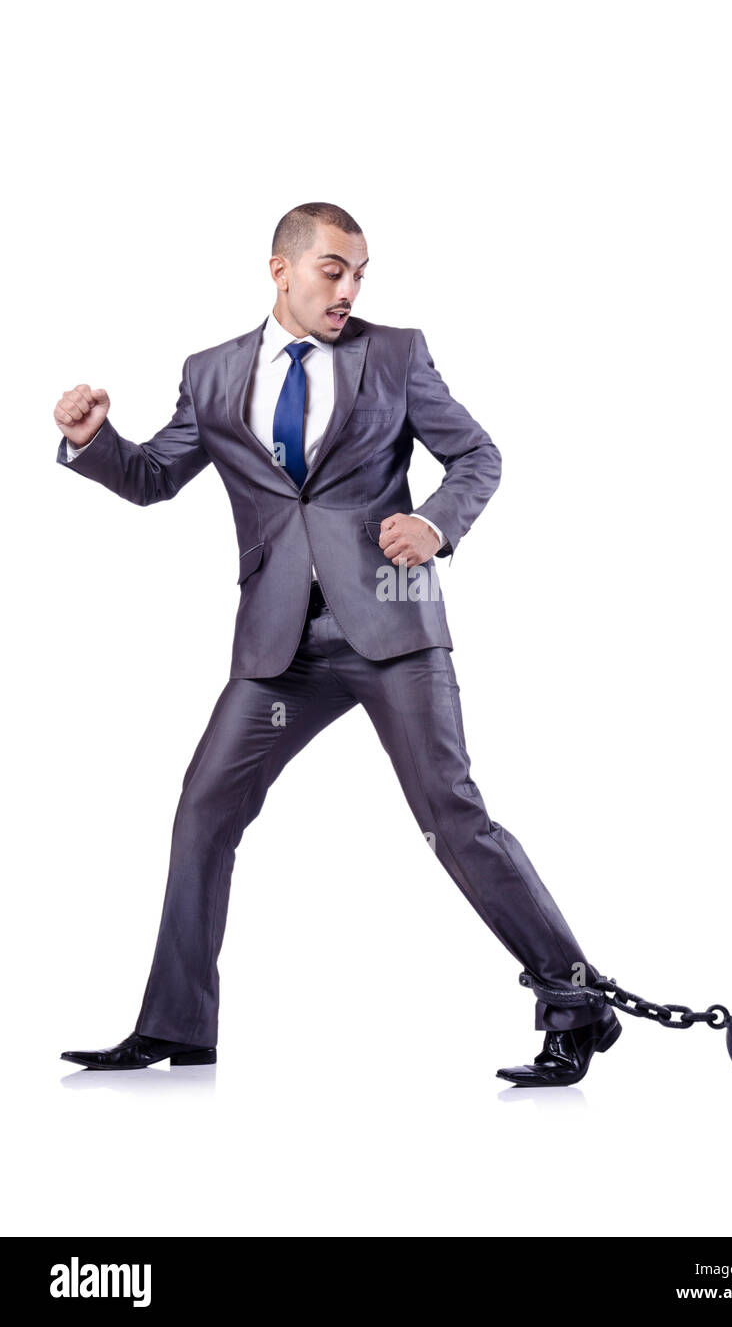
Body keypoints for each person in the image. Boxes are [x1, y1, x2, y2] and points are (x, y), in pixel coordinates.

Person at [54, 201, 622, 1086]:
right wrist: (92, 444)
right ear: (279, 269)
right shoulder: (210, 374)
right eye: (334, 270)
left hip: (392, 625)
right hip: (283, 645)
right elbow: (154, 478)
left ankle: (575, 1000)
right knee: (204, 810)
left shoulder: (393, 354)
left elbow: (475, 455)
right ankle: (176, 1024)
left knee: (452, 817)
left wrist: (435, 525)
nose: (349, 288)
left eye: (361, 273)